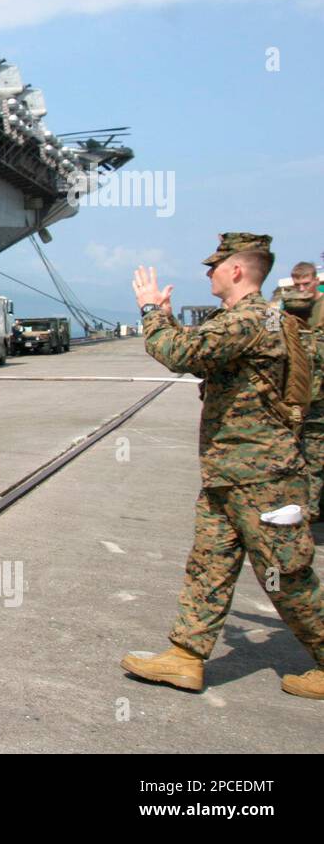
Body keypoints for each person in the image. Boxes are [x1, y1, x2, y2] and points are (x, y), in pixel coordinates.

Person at [121, 234, 324, 700]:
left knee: (287, 577)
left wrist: (153, 311)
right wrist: (169, 321)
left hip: (262, 476)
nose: (208, 272)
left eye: (215, 266)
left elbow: (179, 354)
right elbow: (202, 354)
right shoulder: (247, 321)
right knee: (208, 565)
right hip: (229, 473)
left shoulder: (252, 318)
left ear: (236, 270)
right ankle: (186, 656)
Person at [283, 288, 324, 524]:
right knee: (314, 466)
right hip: (316, 415)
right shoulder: (319, 343)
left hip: (285, 414)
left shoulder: (282, 342)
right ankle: (308, 512)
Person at [290, 260, 323, 329]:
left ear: (316, 281)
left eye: (306, 284)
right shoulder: (291, 306)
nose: (301, 289)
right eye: (297, 285)